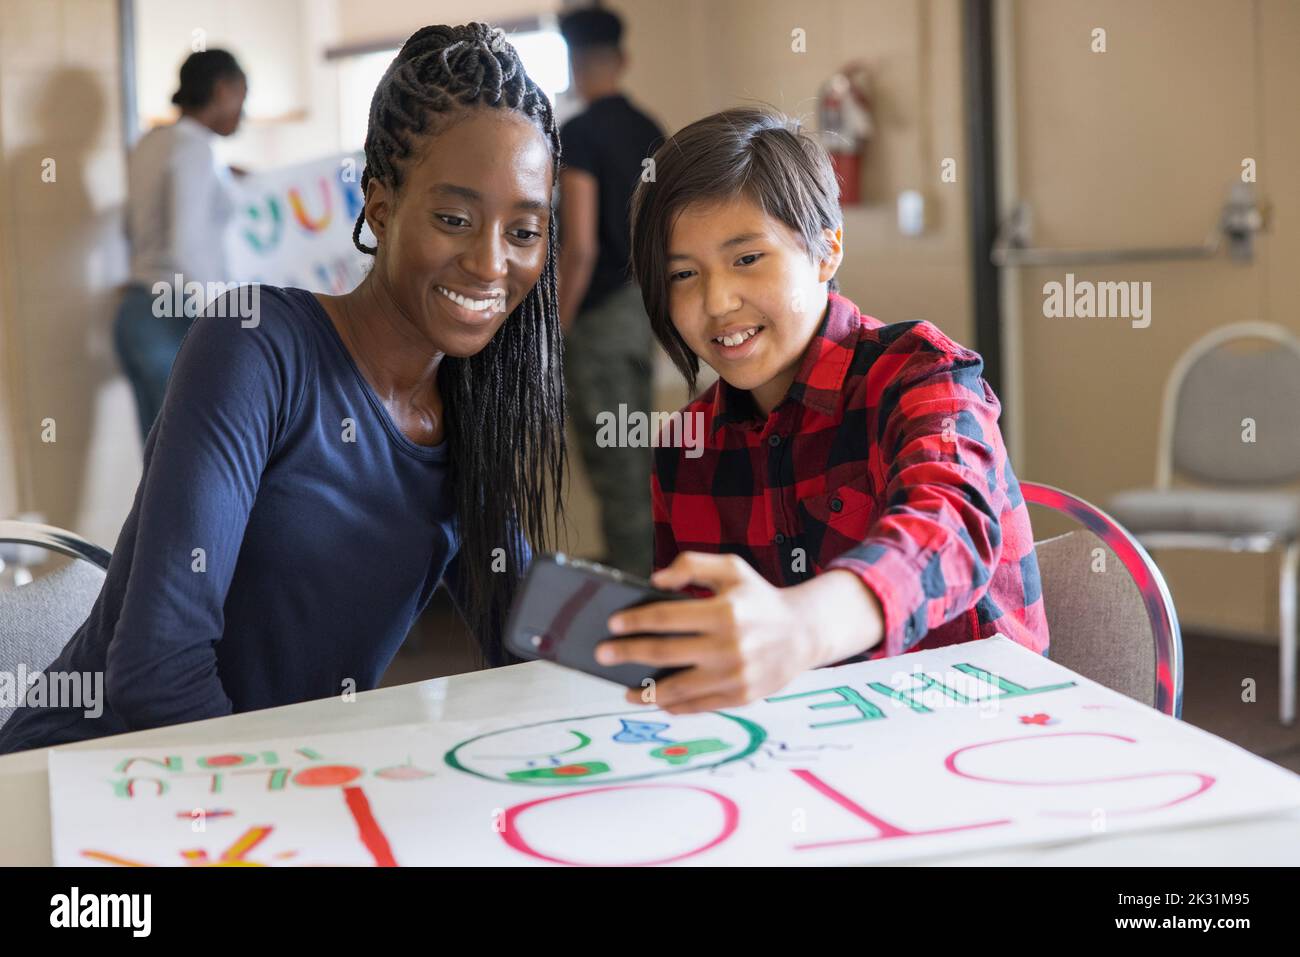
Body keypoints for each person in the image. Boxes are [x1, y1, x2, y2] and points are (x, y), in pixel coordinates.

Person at [0, 23, 565, 753]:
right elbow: (156, 674)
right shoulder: (255, 347)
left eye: (524, 232)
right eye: (454, 219)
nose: (491, 264)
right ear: (381, 205)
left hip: (245, 797)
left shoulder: (467, 412)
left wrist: (715, 631)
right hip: (81, 791)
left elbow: (532, 629)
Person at [596, 107, 1049, 715]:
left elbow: (949, 525)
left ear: (827, 250)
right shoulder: (688, 445)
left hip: (974, 739)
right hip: (800, 755)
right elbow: (713, 654)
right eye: (682, 273)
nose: (716, 301)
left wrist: (804, 624)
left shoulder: (920, 375)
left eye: (747, 258)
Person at [557, 7, 665, 576]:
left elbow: (581, 246)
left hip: (597, 321)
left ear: (574, 61)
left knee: (617, 473)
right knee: (636, 464)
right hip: (640, 315)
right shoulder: (650, 129)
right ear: (621, 59)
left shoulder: (577, 134)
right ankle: (648, 598)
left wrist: (557, 327)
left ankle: (643, 614)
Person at [116, 48, 248, 440]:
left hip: (138, 312)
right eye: (242, 96)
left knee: (160, 464)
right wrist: (226, 316)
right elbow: (186, 246)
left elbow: (134, 224)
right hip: (173, 313)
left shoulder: (151, 142)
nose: (244, 110)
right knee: (190, 462)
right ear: (223, 89)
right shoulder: (195, 148)